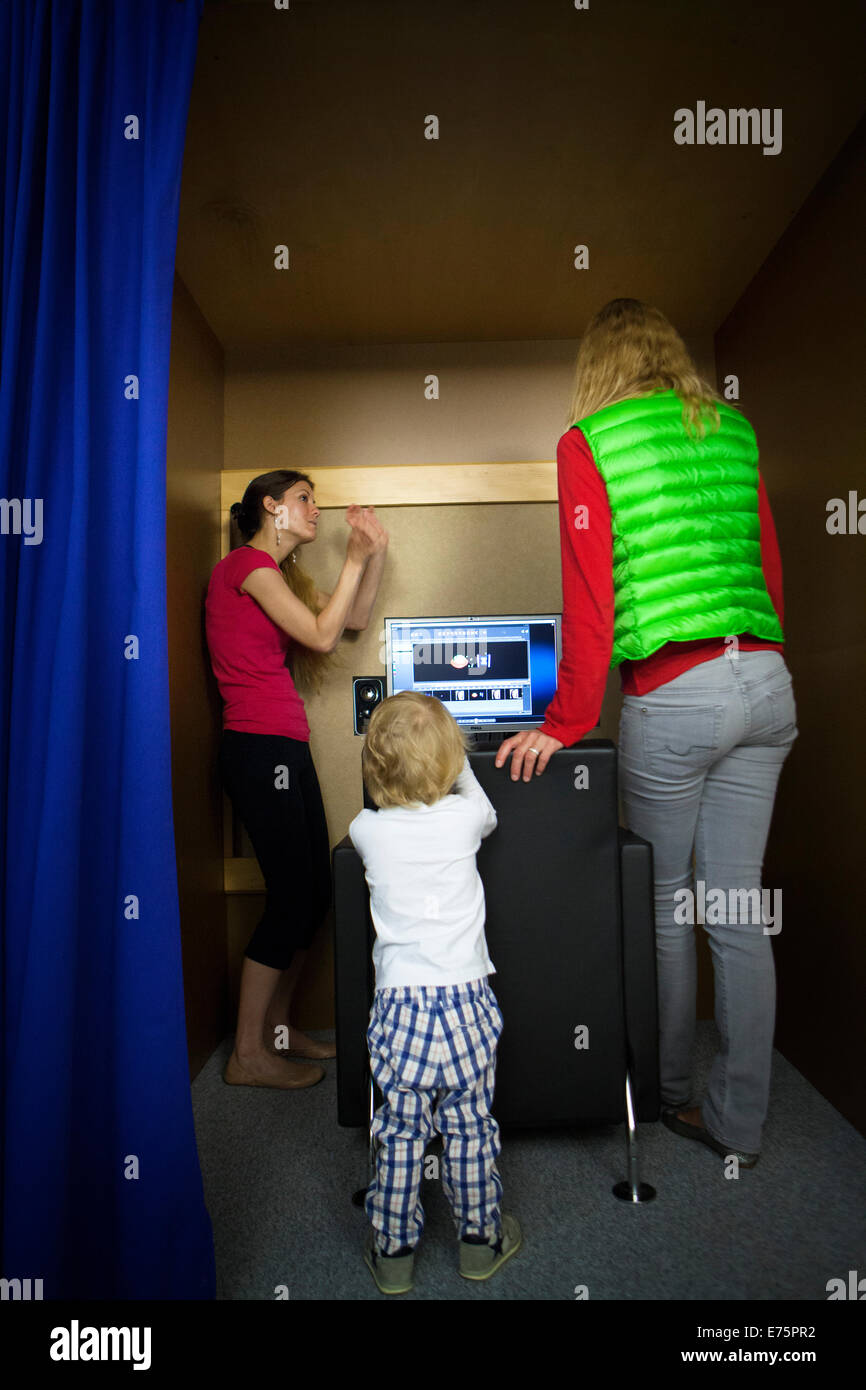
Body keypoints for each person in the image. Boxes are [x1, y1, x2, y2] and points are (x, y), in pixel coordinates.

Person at [496, 298, 797, 1167]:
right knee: (738, 907)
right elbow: (767, 570)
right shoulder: (732, 431)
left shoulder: (589, 441)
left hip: (677, 693)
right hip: (766, 681)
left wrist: (567, 722)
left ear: (598, 364)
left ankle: (667, 1094)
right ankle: (738, 1120)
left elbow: (592, 597)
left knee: (666, 901)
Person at [205, 469, 388, 1089]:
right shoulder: (246, 568)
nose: (316, 510)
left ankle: (279, 1034)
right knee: (290, 896)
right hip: (257, 748)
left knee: (314, 893)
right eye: (305, 499)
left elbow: (352, 619)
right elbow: (319, 632)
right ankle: (248, 1054)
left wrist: (374, 555)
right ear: (271, 507)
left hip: (285, 745)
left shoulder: (279, 579)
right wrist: (354, 556)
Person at [349, 691, 522, 1294]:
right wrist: (458, 766)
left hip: (400, 1007)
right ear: (450, 766)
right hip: (467, 1001)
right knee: (470, 1125)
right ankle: (480, 1240)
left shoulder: (365, 830)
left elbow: (379, 798)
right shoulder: (464, 818)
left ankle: (393, 1251)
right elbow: (482, 804)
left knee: (400, 1131)